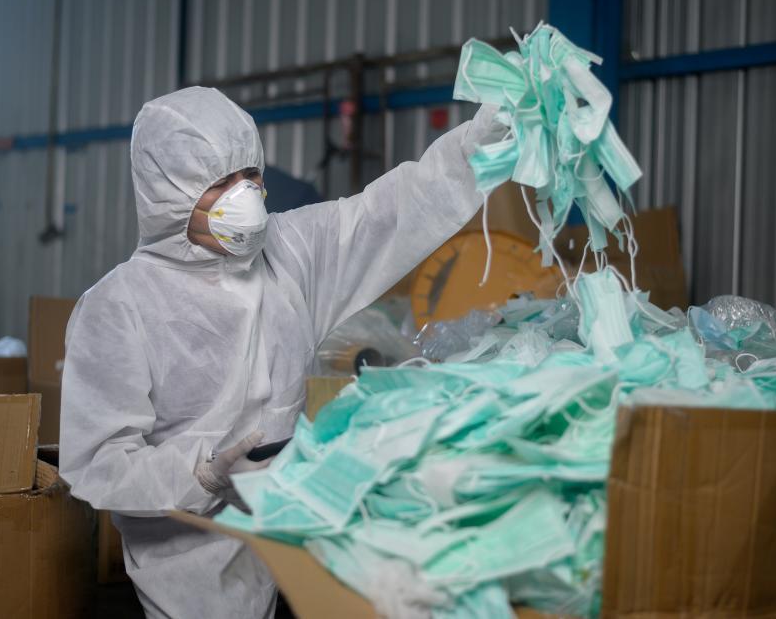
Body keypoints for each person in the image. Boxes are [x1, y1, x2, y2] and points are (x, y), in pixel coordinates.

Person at [59, 86, 504, 618]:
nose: (244, 196)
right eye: (220, 183)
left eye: (250, 175)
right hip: (183, 562)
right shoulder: (119, 307)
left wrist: (485, 140)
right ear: (167, 194)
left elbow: (393, 210)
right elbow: (98, 464)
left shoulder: (289, 254)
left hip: (283, 537)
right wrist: (200, 475)